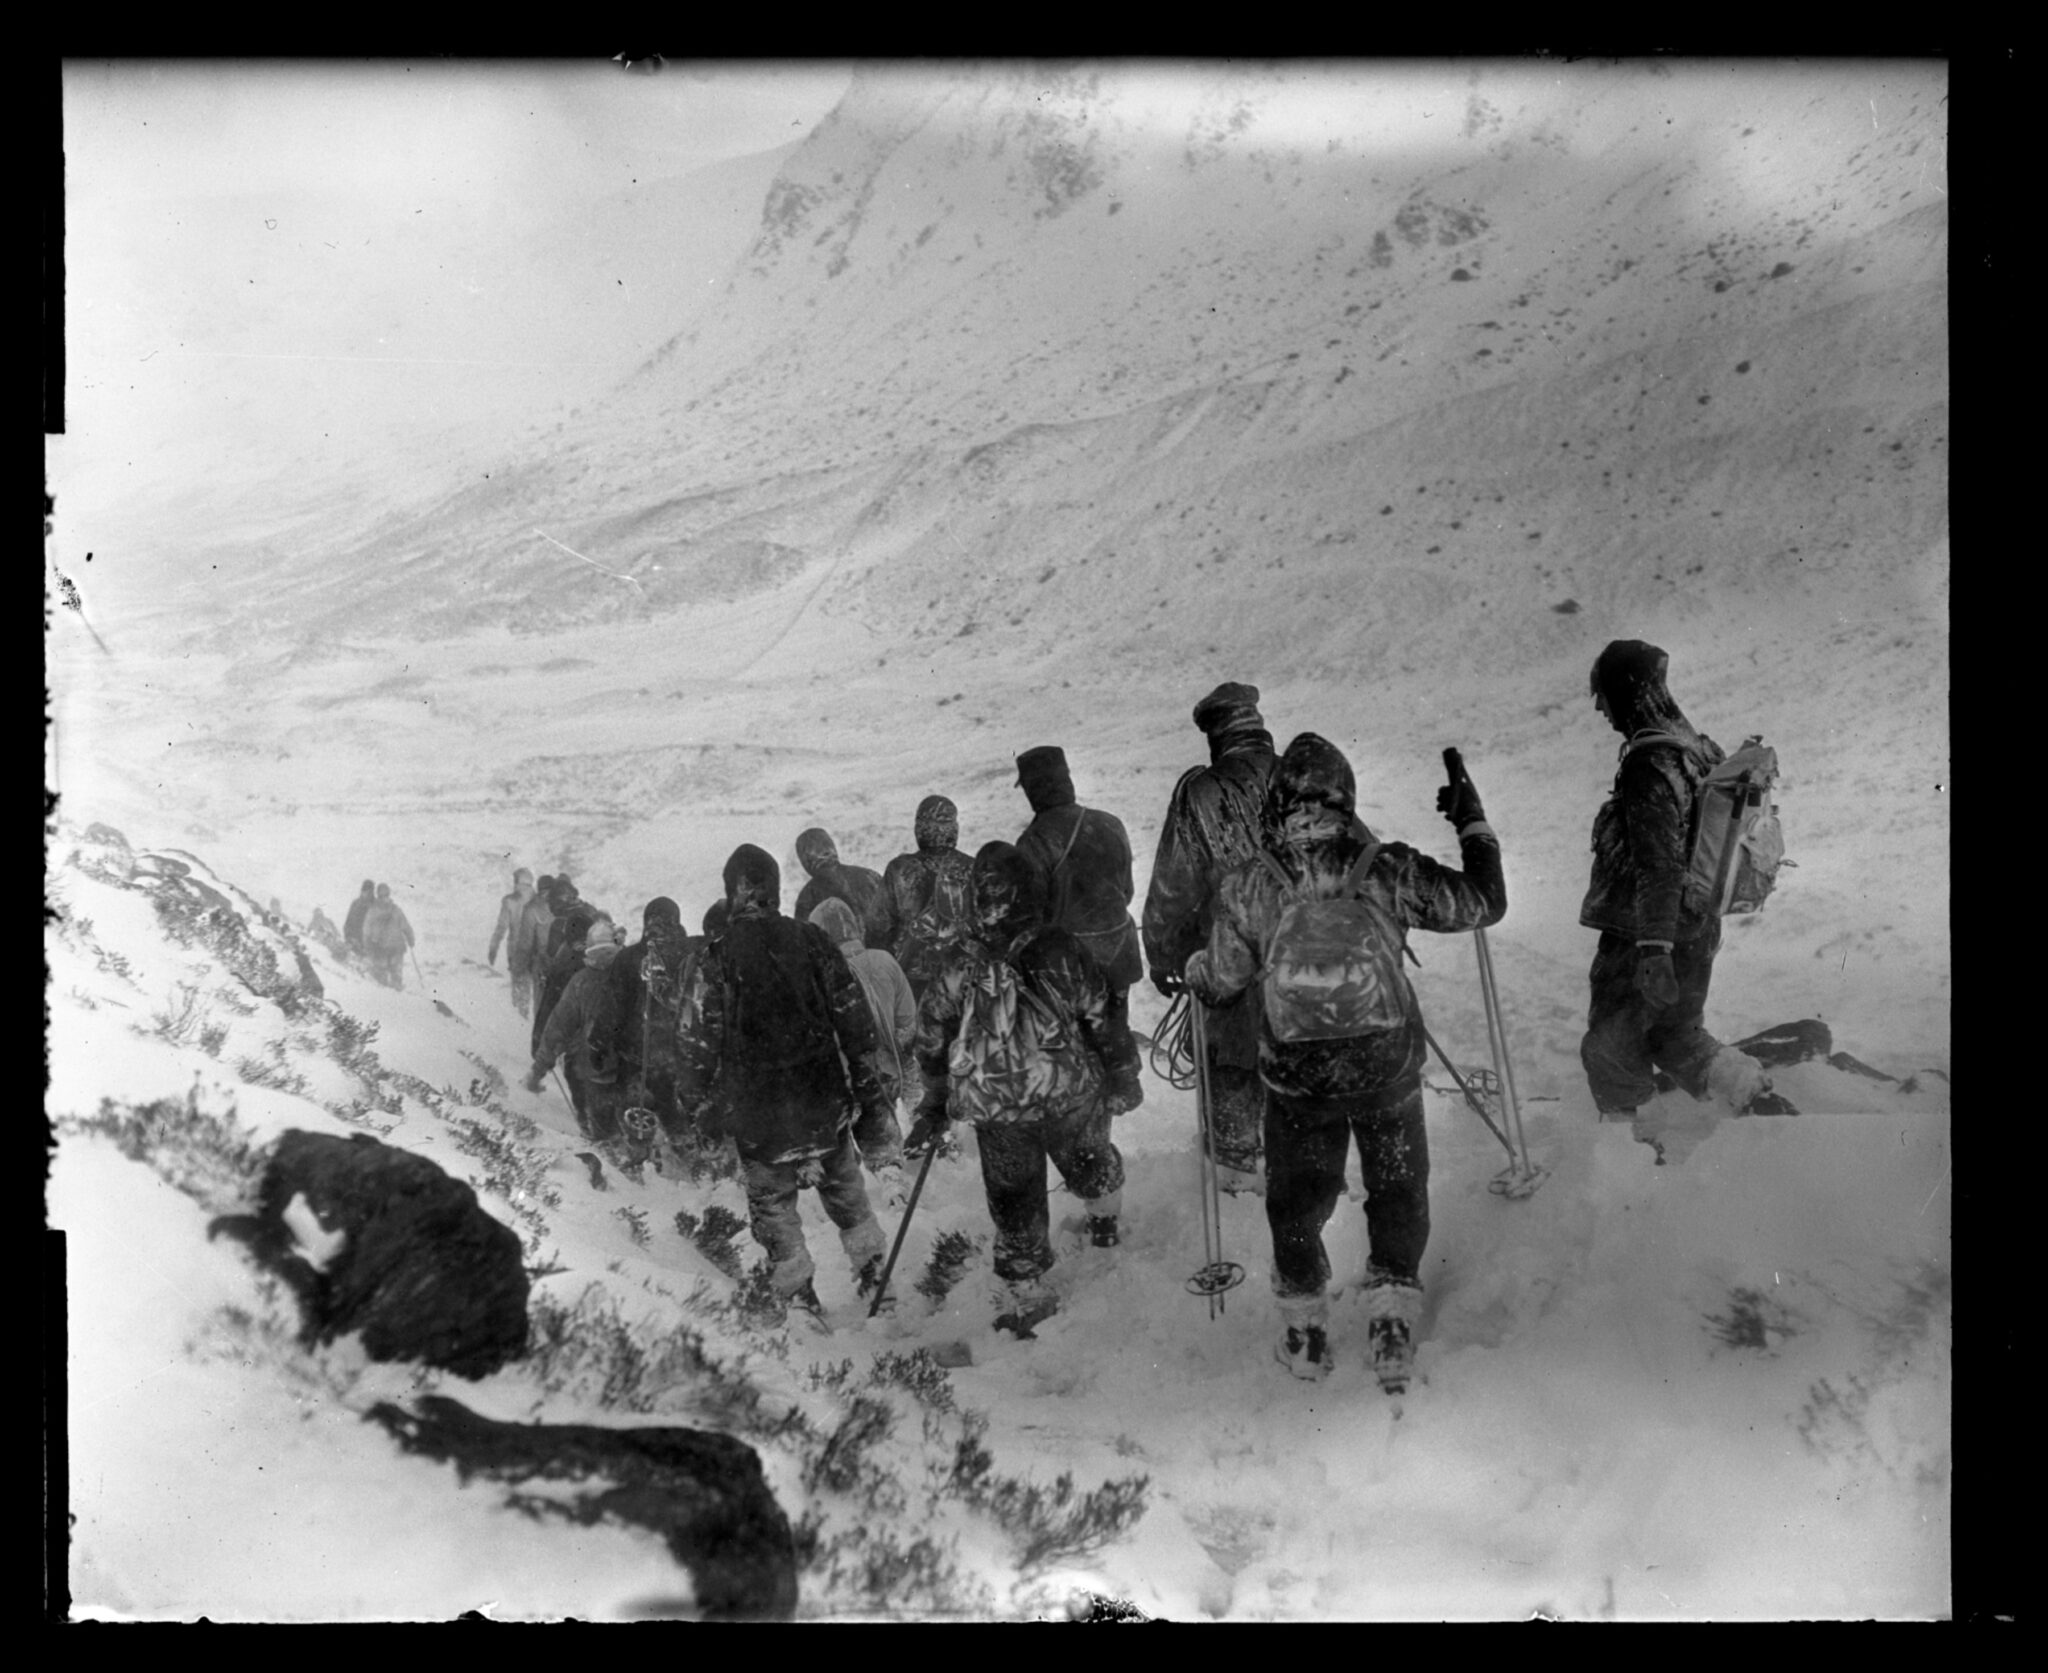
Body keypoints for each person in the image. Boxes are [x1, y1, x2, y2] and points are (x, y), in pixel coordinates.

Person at [1185, 733, 1506, 1387]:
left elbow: (1221, 979)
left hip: (1297, 1079)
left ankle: (1305, 1331)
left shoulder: (1249, 884)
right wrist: (1471, 821)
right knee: (1396, 1185)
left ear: (1276, 805)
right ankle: (1391, 1317)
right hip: (1383, 1065)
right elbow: (1484, 902)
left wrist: (1194, 971)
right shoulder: (1385, 867)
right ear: (1345, 796)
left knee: (1296, 1203)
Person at [909, 842, 1144, 1339]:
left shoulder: (957, 962)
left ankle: (1028, 1295)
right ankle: (1104, 1224)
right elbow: (1101, 1015)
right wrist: (1123, 1072)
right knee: (1090, 1159)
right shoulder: (1060, 947)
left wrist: (934, 1103)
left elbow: (931, 1038)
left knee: (1014, 1198)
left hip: (996, 1108)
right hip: (1066, 1091)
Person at [675, 845, 899, 1318]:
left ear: (731, 892)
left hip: (760, 1119)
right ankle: (875, 1276)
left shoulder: (713, 960)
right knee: (847, 1195)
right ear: (775, 890)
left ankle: (800, 1299)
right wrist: (865, 1094)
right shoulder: (814, 941)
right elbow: (855, 1022)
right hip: (824, 1105)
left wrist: (701, 1109)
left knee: (774, 1211)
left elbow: (695, 1047)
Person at [1579, 639, 1779, 1158]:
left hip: (1646, 940)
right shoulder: (1699, 750)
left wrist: (1652, 950)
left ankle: (1633, 1163)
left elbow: (1658, 864)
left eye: (1602, 693)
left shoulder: (1652, 763)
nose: (1599, 707)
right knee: (1675, 1037)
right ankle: (1752, 1097)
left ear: (1626, 691)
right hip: (1698, 929)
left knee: (1610, 1050)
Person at [1141, 682, 1282, 1193]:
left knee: (1232, 1079)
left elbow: (1172, 889)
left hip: (1233, 976)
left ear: (1215, 735)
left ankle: (1239, 1188)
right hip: (1317, 972)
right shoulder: (1308, 776)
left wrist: (1162, 956)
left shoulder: (1202, 792)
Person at [1013, 746, 1145, 1036]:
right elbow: (1127, 890)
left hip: (1068, 972)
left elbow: (1030, 919)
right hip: (1119, 955)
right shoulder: (1110, 823)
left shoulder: (1033, 842)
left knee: (1079, 1055)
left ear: (1033, 789)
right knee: (1116, 1039)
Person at [809, 898, 913, 1165]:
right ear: (857, 928)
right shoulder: (885, 960)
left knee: (852, 1168)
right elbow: (908, 1024)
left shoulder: (819, 979)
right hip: (893, 1074)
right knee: (894, 1156)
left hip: (851, 1083)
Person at [597, 897, 693, 1144]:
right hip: (676, 1056)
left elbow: (612, 1009)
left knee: (631, 1114)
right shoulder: (690, 956)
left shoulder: (628, 957)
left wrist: (598, 1043)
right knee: (672, 1111)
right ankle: (688, 1165)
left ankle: (637, 1167)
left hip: (633, 1054)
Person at [524, 913, 626, 1140]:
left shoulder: (580, 982)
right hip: (628, 1065)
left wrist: (539, 1068)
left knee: (599, 1127)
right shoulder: (631, 973)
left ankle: (607, 1157)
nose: (603, 960)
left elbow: (558, 1027)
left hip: (590, 1067)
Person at [881, 795, 976, 1002]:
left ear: (919, 828)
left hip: (912, 980)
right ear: (954, 828)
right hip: (962, 979)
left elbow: (880, 928)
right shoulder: (972, 867)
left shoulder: (899, 869)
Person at [792, 828, 895, 949]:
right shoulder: (869, 876)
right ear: (832, 848)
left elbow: (805, 945)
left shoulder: (807, 897)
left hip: (844, 963)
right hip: (883, 959)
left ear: (806, 860)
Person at [532, 903, 601, 1057]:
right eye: (578, 942)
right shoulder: (564, 963)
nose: (581, 946)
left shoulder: (598, 955)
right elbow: (550, 1003)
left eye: (584, 941)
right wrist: (538, 1041)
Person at [488, 869, 538, 1017]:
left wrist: (493, 947)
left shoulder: (509, 901)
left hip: (516, 951)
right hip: (535, 951)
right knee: (535, 990)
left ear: (517, 882)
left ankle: (521, 1019)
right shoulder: (539, 900)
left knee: (519, 991)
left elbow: (501, 927)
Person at [361, 883, 416, 990]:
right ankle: (392, 994)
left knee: (388, 976)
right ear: (379, 896)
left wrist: (410, 938)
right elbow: (406, 926)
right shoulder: (390, 910)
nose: (385, 898)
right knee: (387, 976)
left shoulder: (376, 911)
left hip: (391, 948)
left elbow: (366, 931)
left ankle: (396, 995)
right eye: (383, 896)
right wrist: (410, 938)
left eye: (386, 895)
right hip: (385, 948)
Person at [342, 880, 376, 957]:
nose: (366, 894)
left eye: (369, 892)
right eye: (364, 891)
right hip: (352, 941)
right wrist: (349, 937)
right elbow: (348, 923)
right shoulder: (355, 904)